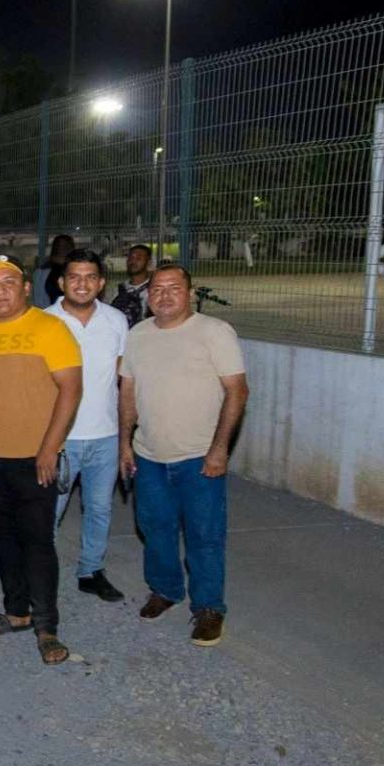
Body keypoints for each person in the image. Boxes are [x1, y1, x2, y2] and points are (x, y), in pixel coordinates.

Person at [0, 256, 83, 666]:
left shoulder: (51, 329)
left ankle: (47, 627)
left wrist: (50, 448)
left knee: (37, 542)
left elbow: (70, 391)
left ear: (26, 287)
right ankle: (17, 612)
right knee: (5, 540)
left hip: (35, 458)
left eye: (7, 282)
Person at [120, 265, 249, 646]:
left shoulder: (214, 332)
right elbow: (128, 392)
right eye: (157, 289)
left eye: (174, 288)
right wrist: (125, 442)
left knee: (204, 536)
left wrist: (220, 449)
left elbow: (238, 392)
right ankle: (165, 590)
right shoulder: (138, 336)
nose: (164, 295)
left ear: (190, 293)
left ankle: (209, 608)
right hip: (149, 457)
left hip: (199, 458)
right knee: (155, 528)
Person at [44, 253, 130, 604]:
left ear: (101, 282)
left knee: (99, 509)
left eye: (90, 276)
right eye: (74, 276)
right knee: (49, 511)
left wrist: (126, 436)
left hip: (106, 436)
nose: (82, 283)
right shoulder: (44, 322)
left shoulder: (116, 320)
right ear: (62, 282)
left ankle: (91, 570)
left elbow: (125, 379)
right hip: (60, 439)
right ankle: (41, 574)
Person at [110, 245, 153, 327]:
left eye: (138, 258)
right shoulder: (117, 290)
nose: (133, 261)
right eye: (130, 258)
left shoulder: (154, 289)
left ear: (149, 262)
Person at [34, 234, 73, 307]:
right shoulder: (42, 271)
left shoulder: (78, 269)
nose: (62, 248)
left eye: (65, 246)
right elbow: (39, 299)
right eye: (59, 245)